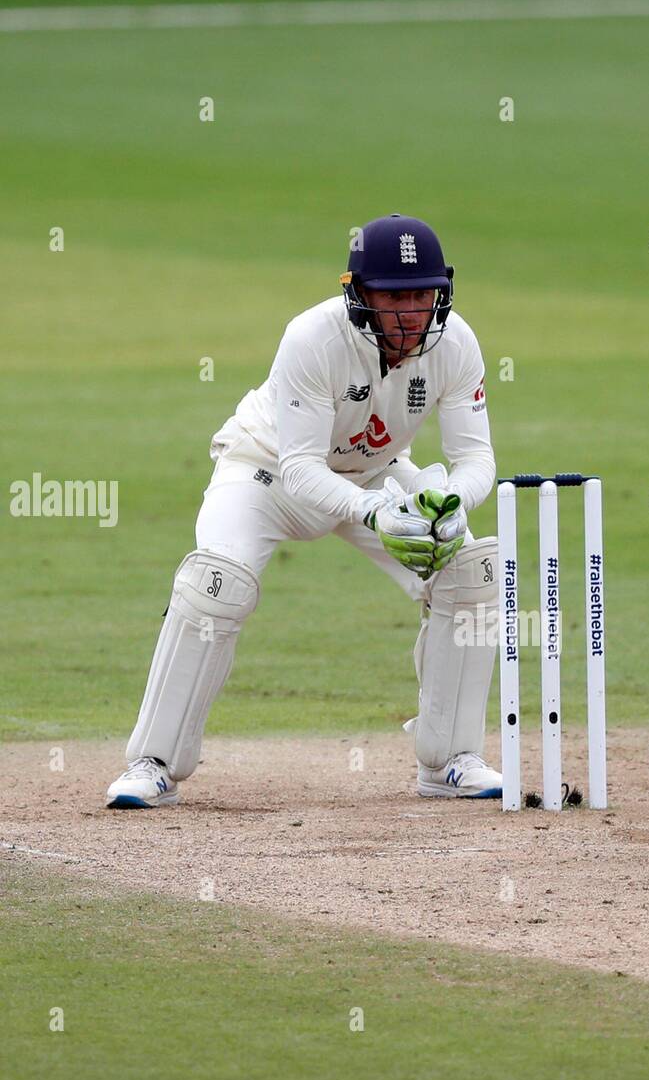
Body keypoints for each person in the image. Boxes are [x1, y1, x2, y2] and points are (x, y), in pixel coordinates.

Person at [107, 213, 501, 808]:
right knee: (217, 584)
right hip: (265, 470)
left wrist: (449, 502)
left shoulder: (458, 344)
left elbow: (475, 459)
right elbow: (299, 468)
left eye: (423, 295)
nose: (410, 312)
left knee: (470, 569)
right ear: (359, 293)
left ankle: (448, 758)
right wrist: (377, 515)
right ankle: (153, 763)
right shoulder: (312, 337)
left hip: (374, 472)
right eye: (393, 296)